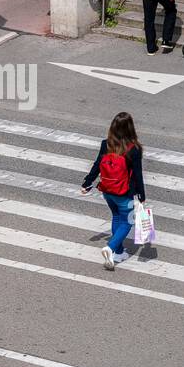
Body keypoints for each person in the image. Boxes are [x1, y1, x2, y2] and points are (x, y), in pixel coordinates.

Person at [81, 112, 147, 270]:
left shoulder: (106, 144)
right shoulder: (134, 149)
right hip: (124, 193)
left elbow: (97, 165)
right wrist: (142, 195)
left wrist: (87, 183)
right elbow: (137, 174)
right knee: (128, 221)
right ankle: (110, 248)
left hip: (107, 190)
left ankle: (118, 252)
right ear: (131, 128)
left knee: (116, 217)